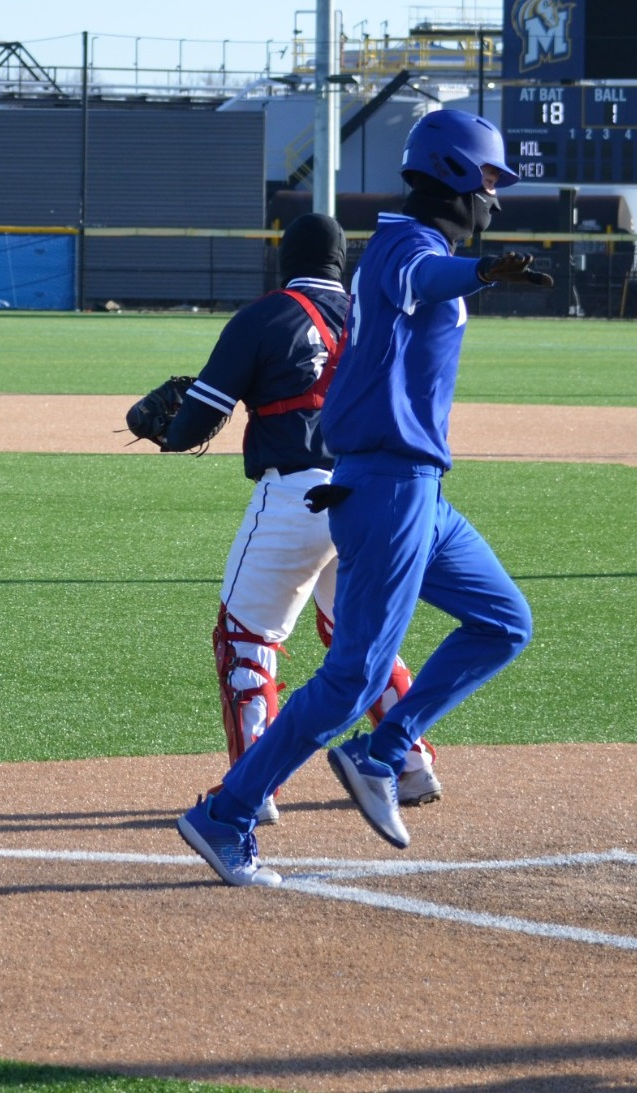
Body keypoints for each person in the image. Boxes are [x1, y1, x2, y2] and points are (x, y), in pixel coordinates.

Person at [176, 110, 544, 886]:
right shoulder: (406, 248)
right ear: (448, 171)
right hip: (391, 484)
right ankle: (228, 813)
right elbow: (423, 281)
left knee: (505, 620)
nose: (495, 198)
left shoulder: (414, 247)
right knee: (350, 677)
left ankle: (383, 749)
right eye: (487, 178)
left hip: (411, 485)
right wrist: (481, 272)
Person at [158, 213, 440, 827]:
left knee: (246, 640)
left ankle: (251, 787)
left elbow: (197, 420)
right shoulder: (380, 314)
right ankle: (410, 762)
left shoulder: (265, 315)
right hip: (377, 493)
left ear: (287, 257)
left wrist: (168, 431)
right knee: (358, 635)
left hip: (297, 496)